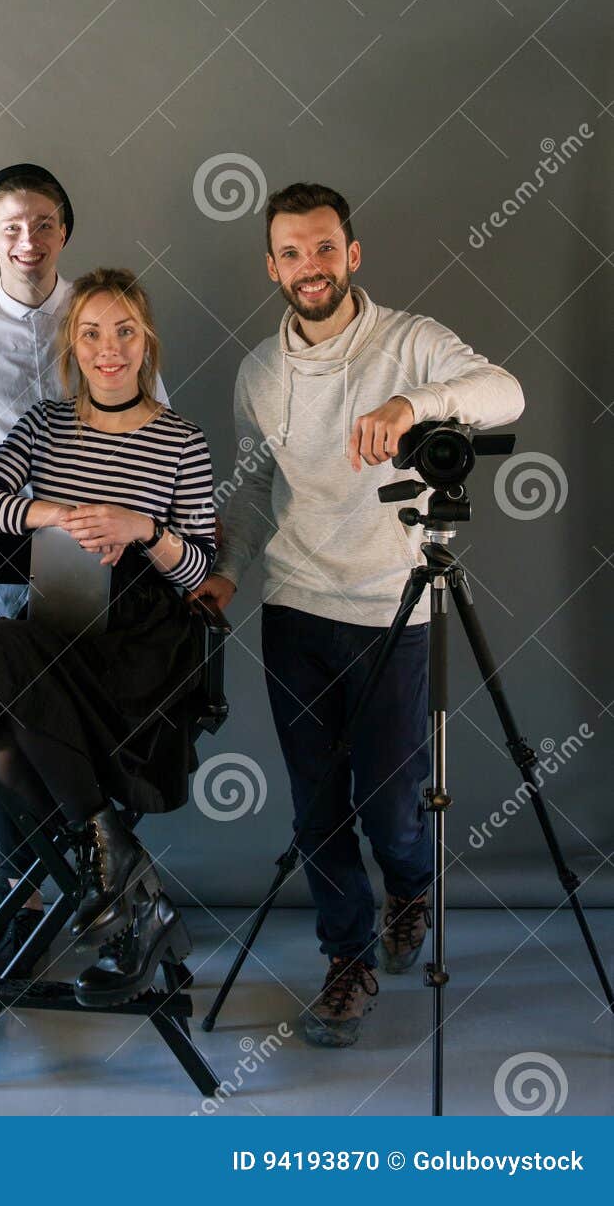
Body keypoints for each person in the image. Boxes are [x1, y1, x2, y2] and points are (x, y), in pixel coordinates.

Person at [194, 181, 525, 1047]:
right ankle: (346, 960)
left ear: (352, 253)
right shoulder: (259, 372)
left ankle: (409, 889)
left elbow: (505, 393)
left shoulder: (411, 342)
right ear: (272, 265)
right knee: (315, 806)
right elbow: (254, 487)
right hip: (294, 608)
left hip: (393, 605)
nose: (311, 266)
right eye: (292, 252)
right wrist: (228, 572)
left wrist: (411, 405)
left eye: (325, 247)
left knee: (390, 805)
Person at [0, 267, 216, 1004]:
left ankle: (107, 883)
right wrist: (55, 513)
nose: (109, 349)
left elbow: (197, 571)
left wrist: (143, 529)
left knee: (10, 741)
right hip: (60, 629)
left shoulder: (180, 441)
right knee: (0, 663)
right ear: (74, 344)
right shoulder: (43, 424)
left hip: (140, 651)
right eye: (93, 333)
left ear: (146, 342)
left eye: (124, 332)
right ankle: (120, 866)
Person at [0, 164, 169, 978]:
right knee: (3, 720)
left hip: (104, 567)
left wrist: (158, 538)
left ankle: (103, 891)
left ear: (63, 231)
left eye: (41, 223)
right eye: (9, 226)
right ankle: (26, 896)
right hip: (1, 552)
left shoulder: (97, 312)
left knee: (81, 720)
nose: (26, 240)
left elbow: (157, 427)